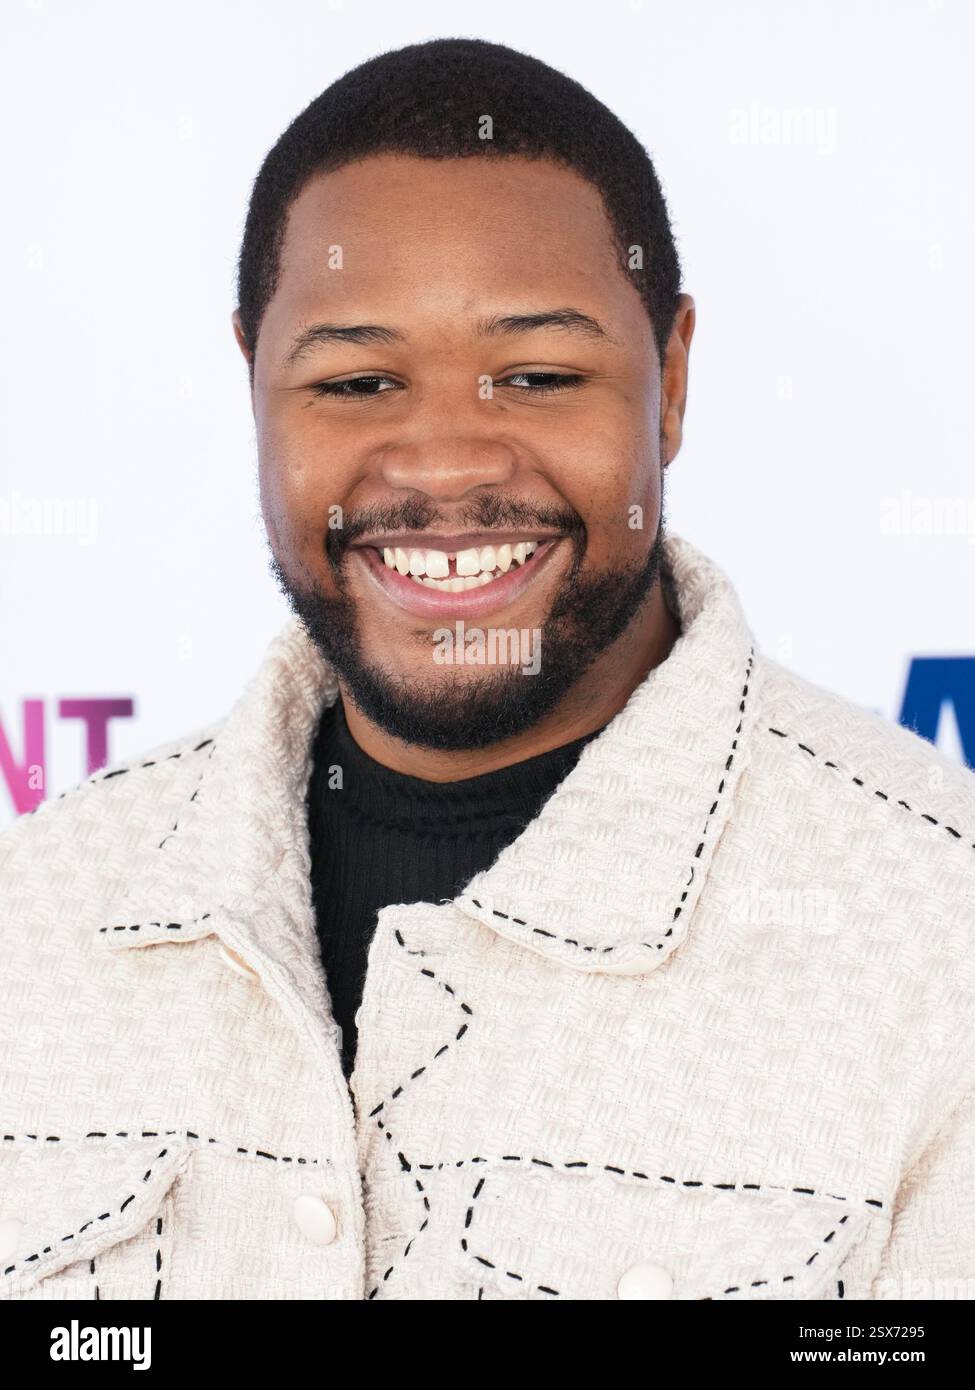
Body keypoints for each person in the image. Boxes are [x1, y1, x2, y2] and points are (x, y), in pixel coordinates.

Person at [1, 37, 972, 1303]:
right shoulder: (32, 920)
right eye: (356, 379)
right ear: (254, 383)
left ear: (669, 381)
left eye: (539, 375)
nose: (447, 462)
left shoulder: (941, 937)